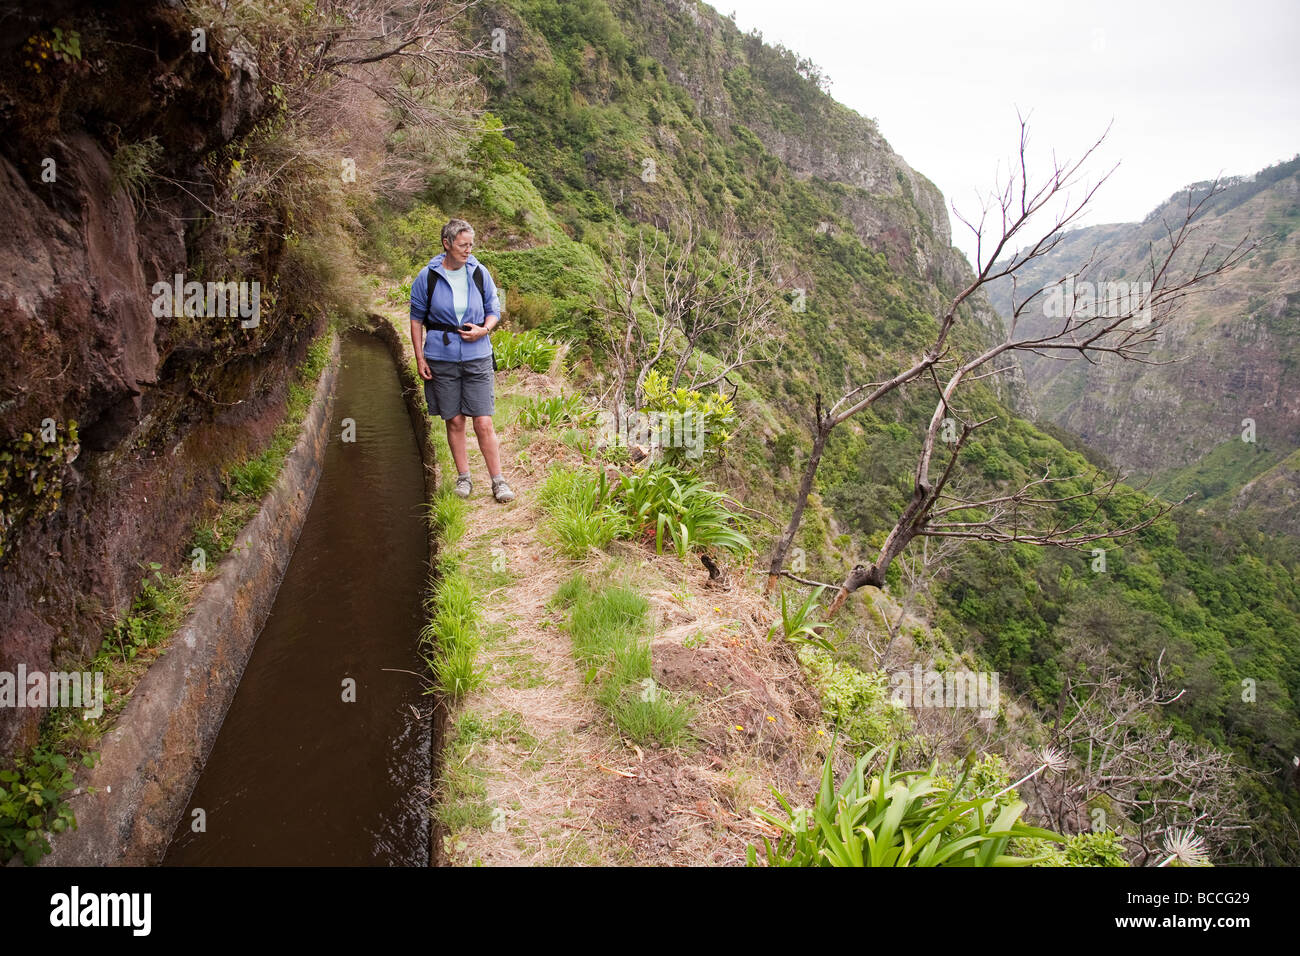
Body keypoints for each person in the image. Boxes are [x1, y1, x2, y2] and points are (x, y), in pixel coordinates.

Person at [409, 219, 515, 502]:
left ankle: (498, 481)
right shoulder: (427, 277)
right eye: (463, 245)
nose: (469, 250)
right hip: (440, 357)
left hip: (477, 355)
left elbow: (495, 309)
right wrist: (419, 357)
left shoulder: (480, 272)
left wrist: (485, 328)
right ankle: (464, 478)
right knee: (454, 420)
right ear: (447, 243)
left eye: (471, 244)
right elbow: (416, 319)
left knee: (483, 421)